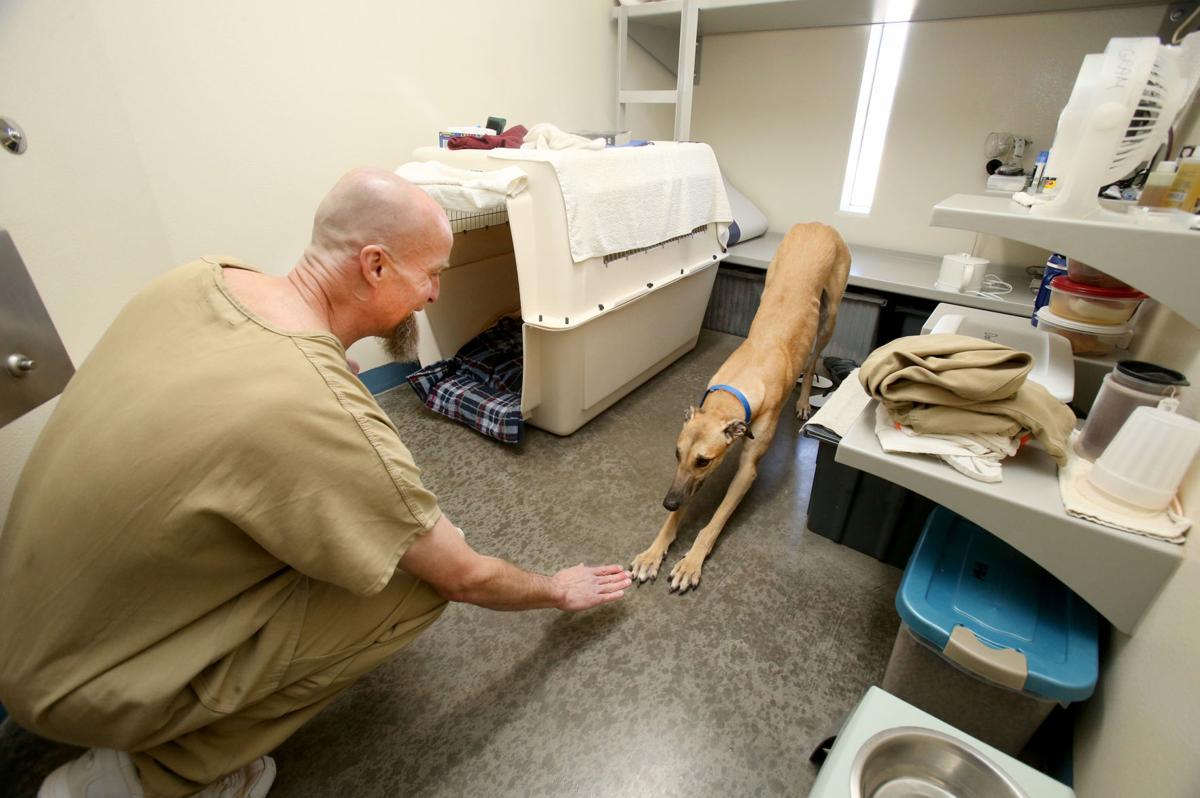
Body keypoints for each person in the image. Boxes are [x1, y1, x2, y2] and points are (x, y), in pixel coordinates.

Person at [0, 168, 632, 798]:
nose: (435, 294)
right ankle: (149, 778)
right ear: (375, 266)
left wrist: (319, 366)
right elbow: (462, 576)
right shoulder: (321, 411)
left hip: (29, 624)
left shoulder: (203, 277)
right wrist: (556, 588)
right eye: (431, 273)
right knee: (412, 584)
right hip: (77, 691)